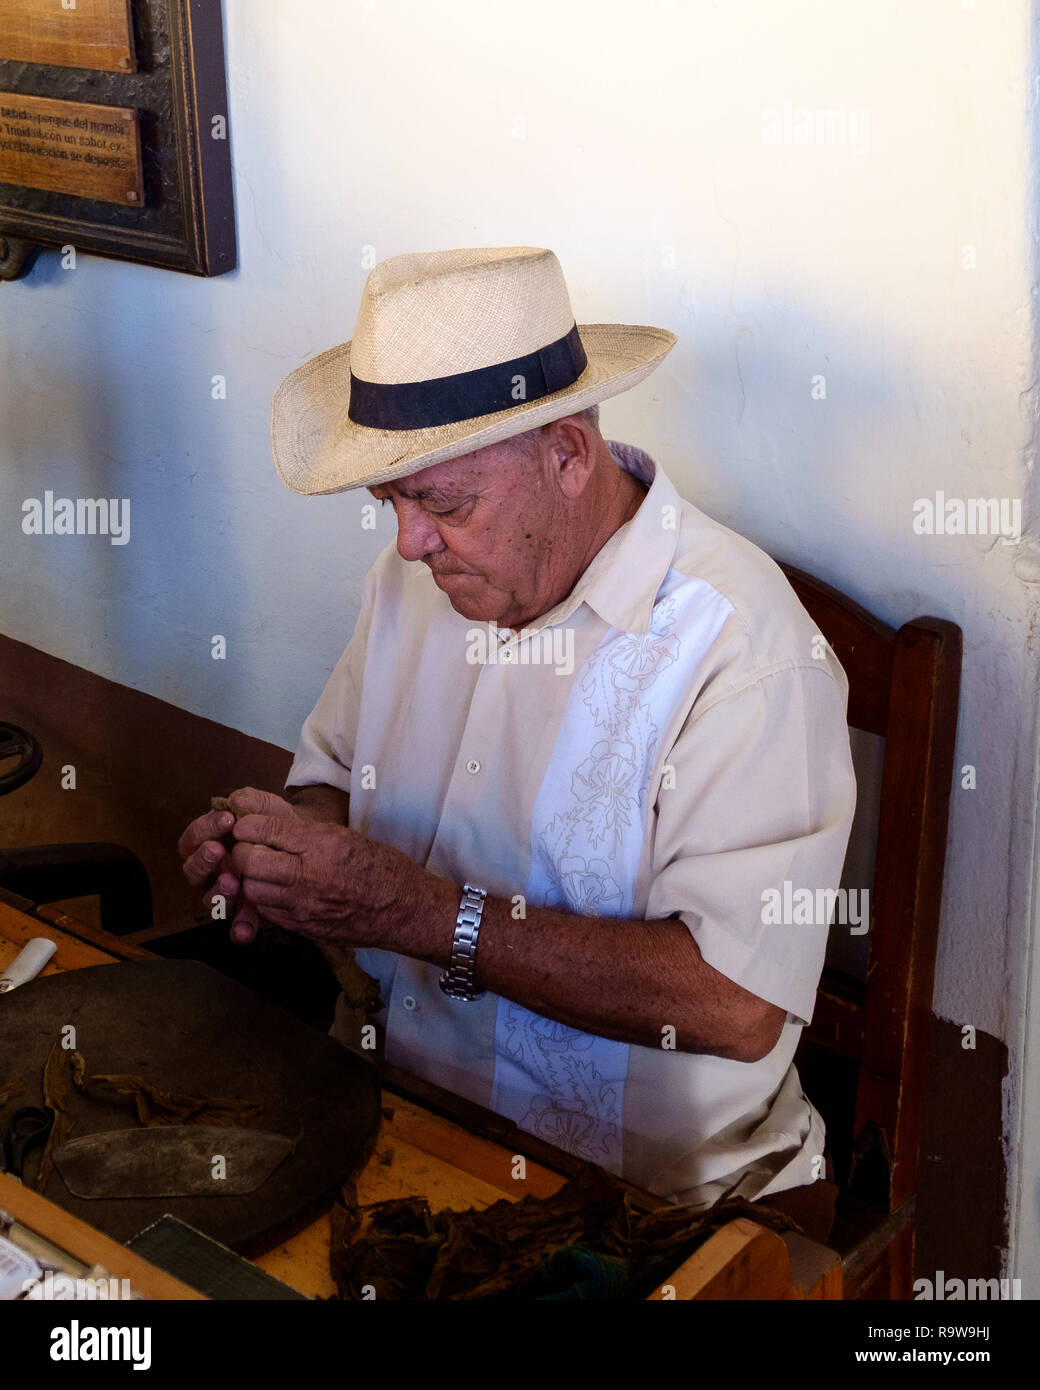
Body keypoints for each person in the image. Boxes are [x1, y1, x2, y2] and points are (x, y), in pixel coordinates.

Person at [179, 247, 856, 1234]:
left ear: (569, 457)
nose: (409, 542)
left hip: (645, 1199)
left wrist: (418, 914)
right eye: (391, 502)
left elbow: (733, 1001)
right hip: (394, 1106)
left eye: (442, 504)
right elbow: (329, 778)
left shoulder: (741, 650)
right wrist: (279, 857)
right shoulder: (417, 574)